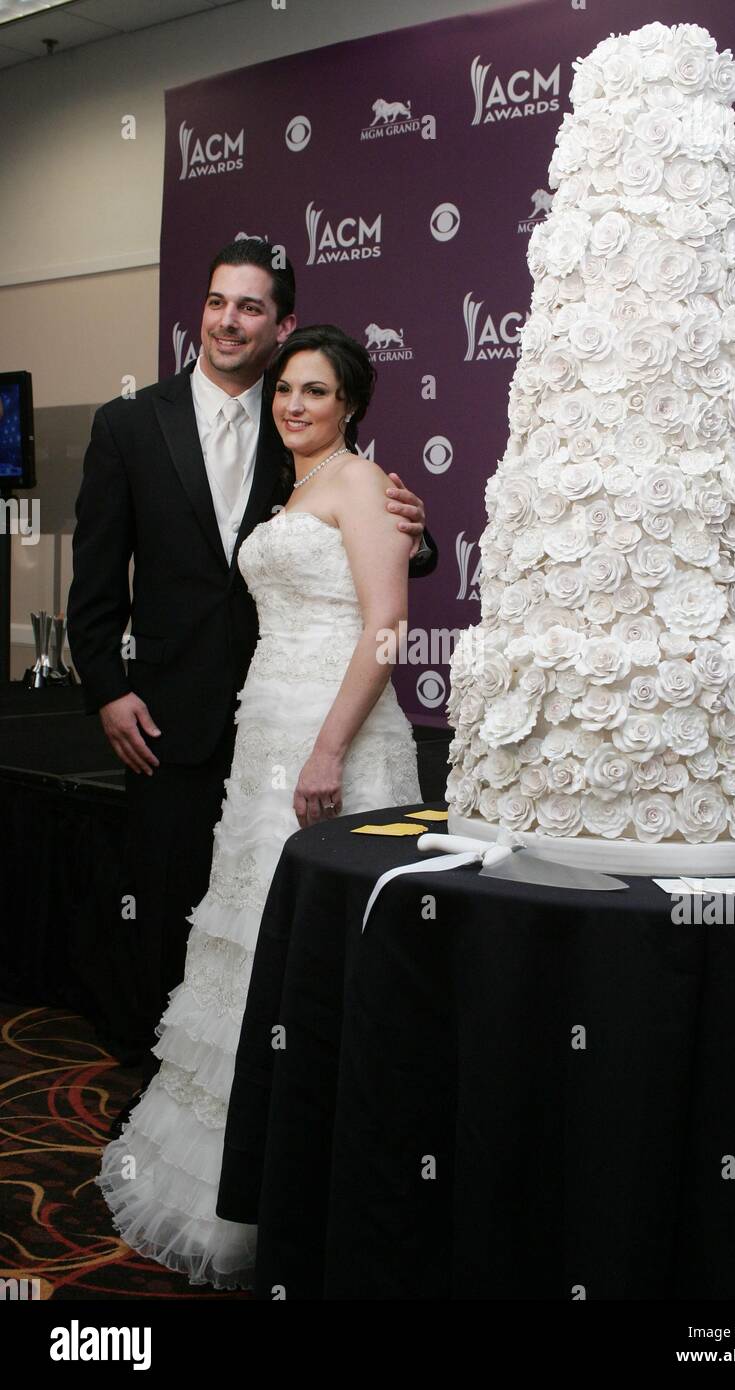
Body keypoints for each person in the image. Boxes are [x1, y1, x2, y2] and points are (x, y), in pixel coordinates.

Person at [96, 323, 424, 1288]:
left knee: (323, 955)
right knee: (251, 937)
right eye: (285, 390)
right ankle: (243, 1171)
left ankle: (316, 1181)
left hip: (334, 745)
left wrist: (328, 749)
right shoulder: (293, 486)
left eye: (315, 392)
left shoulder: (362, 483)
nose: (293, 405)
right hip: (262, 740)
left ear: (350, 404)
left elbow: (389, 628)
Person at [67, 240, 435, 1078]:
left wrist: (419, 528)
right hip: (168, 711)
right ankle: (159, 1080)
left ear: (282, 323)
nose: (228, 321)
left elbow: (377, 534)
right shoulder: (130, 423)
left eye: (250, 307)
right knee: (173, 910)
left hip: (295, 711)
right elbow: (96, 575)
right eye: (216, 302)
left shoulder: (300, 407)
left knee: (279, 909)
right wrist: (106, 688)